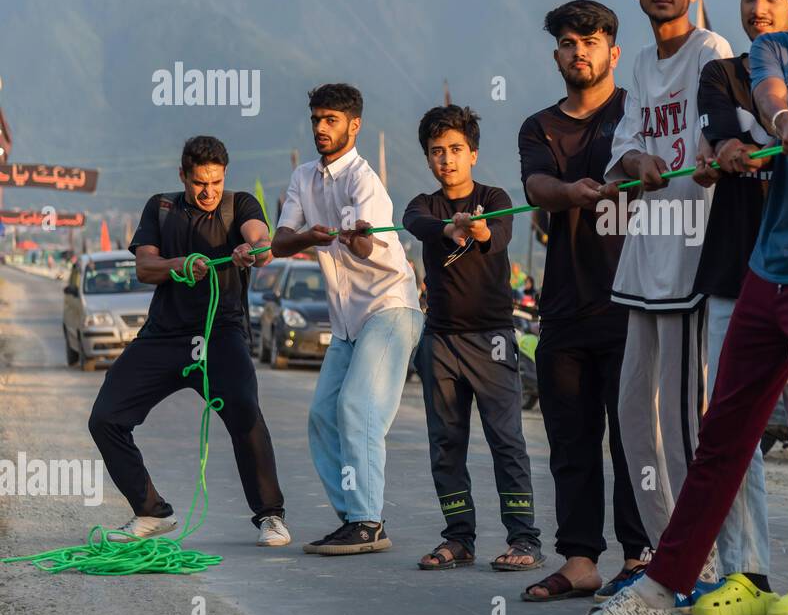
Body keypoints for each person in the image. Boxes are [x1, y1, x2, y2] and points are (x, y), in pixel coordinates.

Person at [581, 0, 788, 615]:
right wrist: (756, 130)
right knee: (721, 434)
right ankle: (674, 579)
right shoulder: (763, 53)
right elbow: (751, 104)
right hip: (760, 265)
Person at [688, 0, 788, 615]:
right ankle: (743, 569)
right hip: (732, 270)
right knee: (730, 428)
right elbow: (721, 137)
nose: (760, 7)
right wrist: (725, 153)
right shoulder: (723, 72)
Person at [602, 0, 733, 597]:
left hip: (689, 254)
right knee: (630, 417)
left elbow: (722, 125)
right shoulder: (639, 67)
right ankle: (664, 555)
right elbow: (626, 144)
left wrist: (703, 153)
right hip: (642, 253)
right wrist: (634, 165)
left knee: (684, 424)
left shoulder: (711, 51)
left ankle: (701, 566)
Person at [90, 135, 289, 546]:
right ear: (183, 176)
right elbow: (145, 267)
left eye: (216, 182)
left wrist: (253, 249)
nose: (209, 192)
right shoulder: (161, 208)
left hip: (222, 332)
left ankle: (270, 515)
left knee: (246, 415)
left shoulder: (240, 205)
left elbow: (263, 242)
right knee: (105, 418)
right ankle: (150, 511)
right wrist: (178, 265)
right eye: (200, 182)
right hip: (164, 335)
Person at [515, 0, 651, 599]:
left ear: (613, 52)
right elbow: (538, 186)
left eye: (591, 41)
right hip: (566, 306)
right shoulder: (539, 126)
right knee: (570, 443)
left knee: (632, 441)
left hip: (635, 301)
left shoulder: (636, 113)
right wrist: (569, 191)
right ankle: (579, 560)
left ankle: (641, 556)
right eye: (569, 43)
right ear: (557, 55)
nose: (580, 51)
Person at [272, 83, 423, 556]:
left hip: (389, 307)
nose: (320, 127)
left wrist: (349, 236)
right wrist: (308, 237)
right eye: (316, 118)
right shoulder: (303, 178)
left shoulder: (364, 181)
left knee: (357, 409)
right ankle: (354, 517)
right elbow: (280, 242)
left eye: (331, 119)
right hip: (346, 322)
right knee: (322, 417)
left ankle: (367, 521)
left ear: (353, 126)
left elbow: (363, 244)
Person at [403, 104, 544, 573]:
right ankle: (459, 538)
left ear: (474, 154)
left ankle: (524, 538)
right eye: (437, 152)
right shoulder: (423, 204)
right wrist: (449, 227)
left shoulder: (495, 196)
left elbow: (498, 234)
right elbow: (414, 223)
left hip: (493, 340)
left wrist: (478, 229)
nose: (447, 160)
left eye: (456, 150)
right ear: (428, 159)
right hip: (439, 342)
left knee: (506, 439)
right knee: (446, 442)